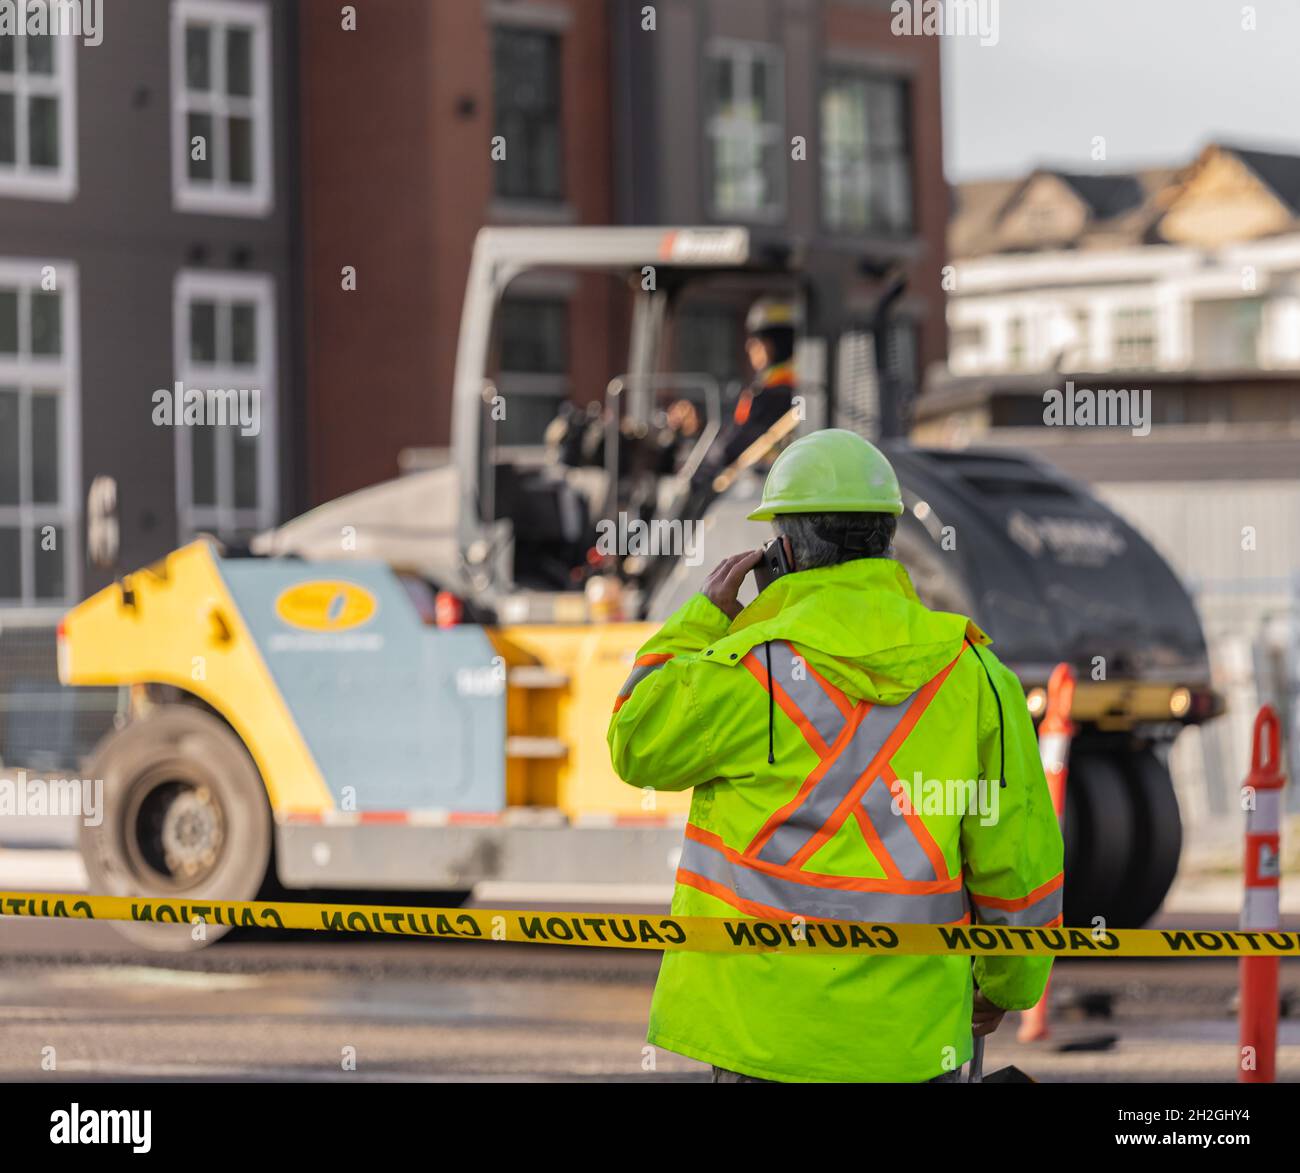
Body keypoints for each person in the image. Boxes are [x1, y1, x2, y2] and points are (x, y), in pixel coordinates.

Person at [607, 428, 1064, 1083]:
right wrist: (1007, 982)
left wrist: (702, 618)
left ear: (781, 552)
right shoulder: (978, 676)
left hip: (760, 1037)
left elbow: (634, 741)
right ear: (888, 540)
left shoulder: (745, 670)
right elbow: (1017, 855)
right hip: (914, 1040)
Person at [686, 297, 800, 498]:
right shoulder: (784, 386)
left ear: (775, 344)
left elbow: (736, 442)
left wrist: (698, 477)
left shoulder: (778, 391)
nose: (749, 347)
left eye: (756, 340)